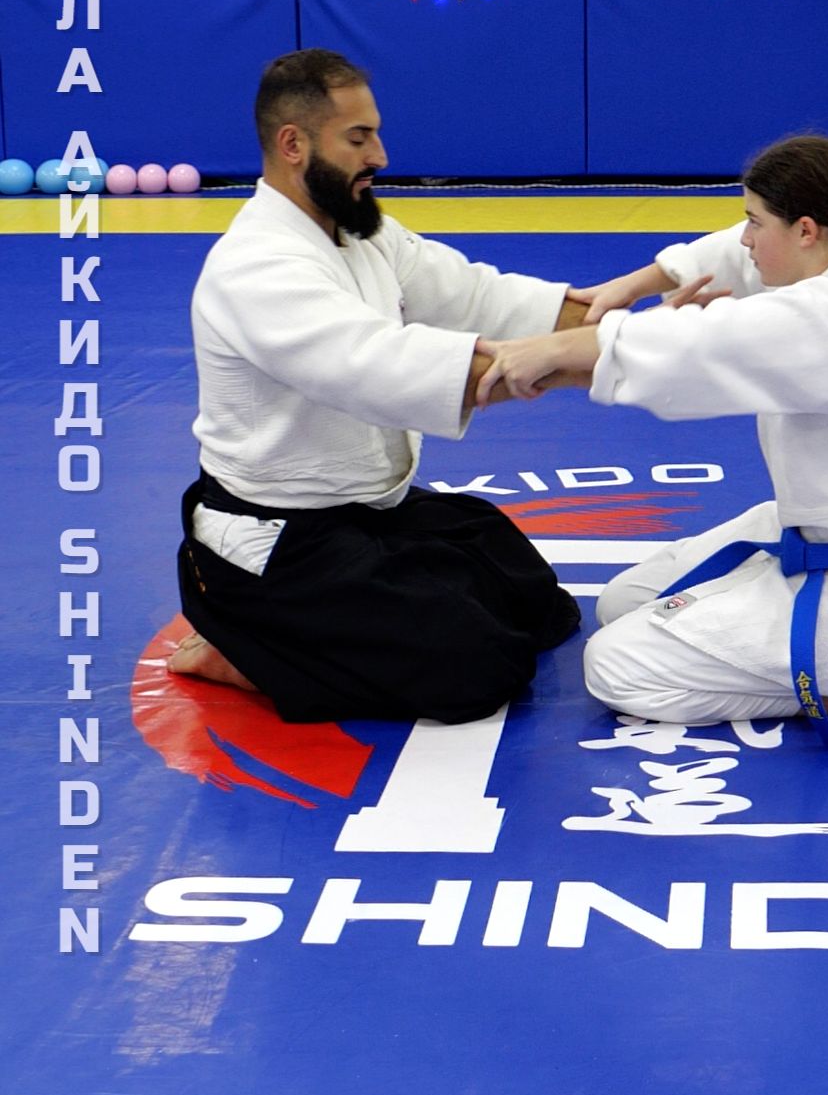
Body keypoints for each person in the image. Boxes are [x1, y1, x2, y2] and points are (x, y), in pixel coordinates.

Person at [476, 135, 828, 732]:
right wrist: (629, 287)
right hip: (817, 531)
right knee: (623, 601)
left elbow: (698, 344)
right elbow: (732, 252)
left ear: (806, 230)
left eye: (755, 221)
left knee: (615, 669)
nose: (746, 238)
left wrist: (551, 351)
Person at [169, 47, 585, 726]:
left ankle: (303, 632)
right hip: (279, 538)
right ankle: (243, 648)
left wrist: (632, 323)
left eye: (376, 134)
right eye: (358, 138)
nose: (381, 156)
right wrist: (594, 361)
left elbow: (478, 295)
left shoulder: (361, 232)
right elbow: (380, 367)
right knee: (479, 669)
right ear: (294, 144)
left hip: (366, 511)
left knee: (537, 602)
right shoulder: (256, 267)